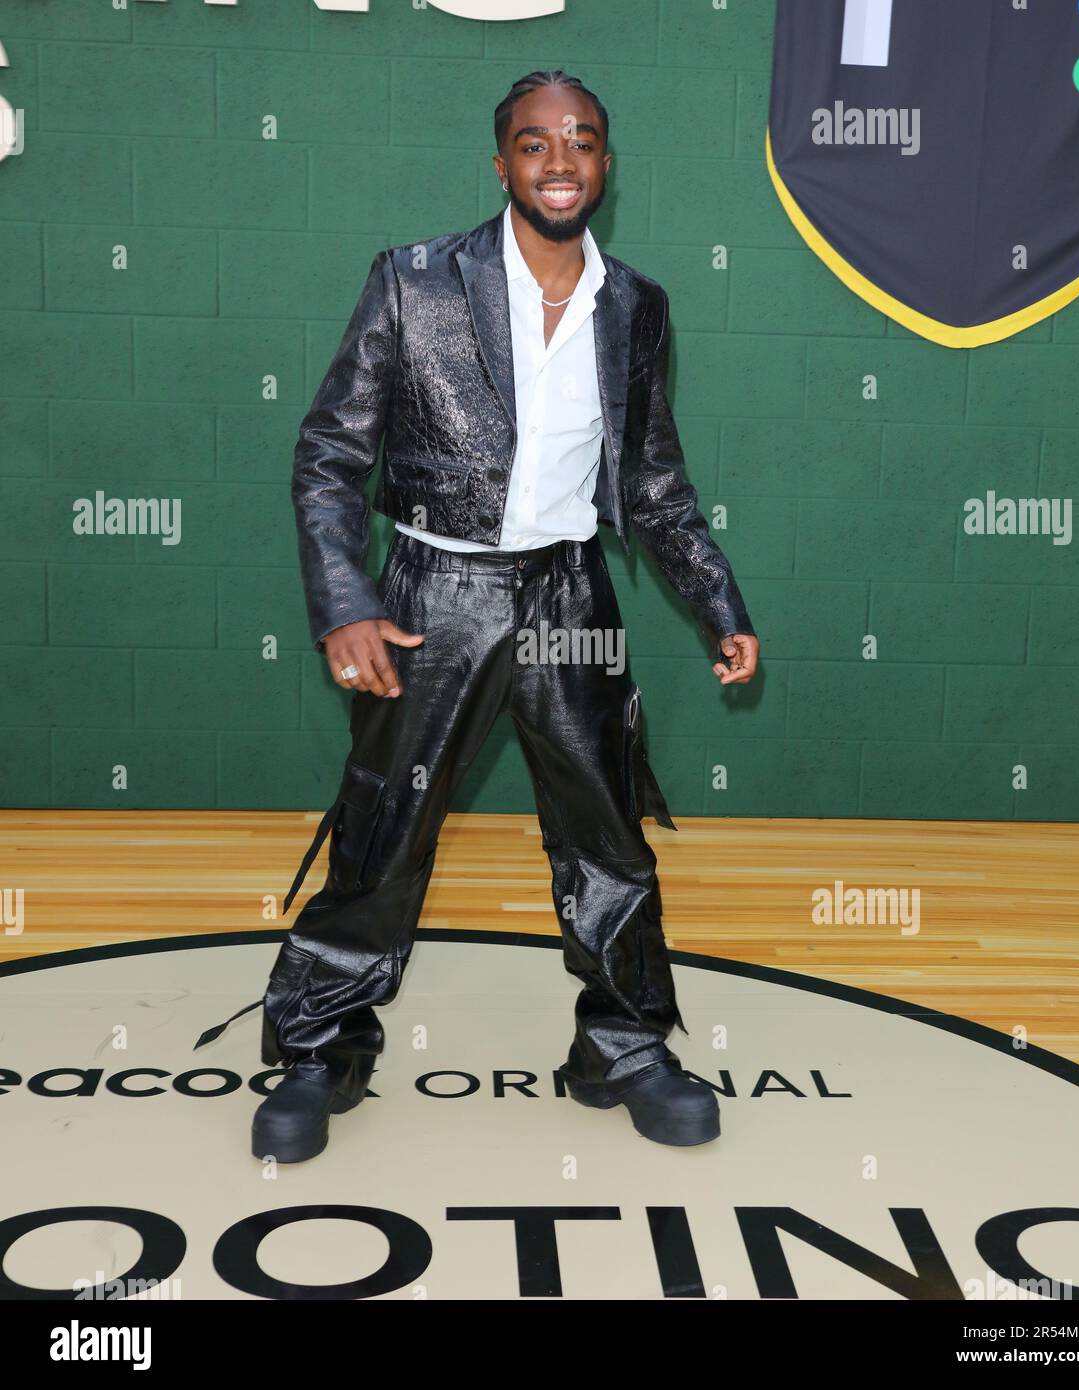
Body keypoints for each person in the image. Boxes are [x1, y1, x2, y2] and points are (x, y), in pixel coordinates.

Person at [200, 69, 759, 1163]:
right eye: (536, 143)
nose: (562, 161)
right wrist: (345, 600)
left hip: (570, 597)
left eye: (583, 141)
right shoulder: (415, 282)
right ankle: (320, 1045)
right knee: (385, 831)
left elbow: (653, 484)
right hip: (429, 595)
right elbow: (328, 457)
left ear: (605, 163)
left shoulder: (634, 304)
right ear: (500, 162)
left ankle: (625, 1045)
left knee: (606, 833)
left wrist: (716, 601)